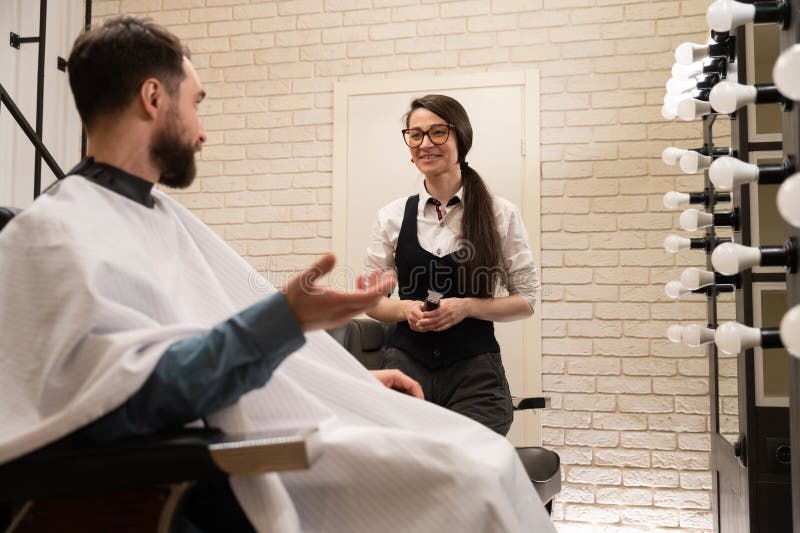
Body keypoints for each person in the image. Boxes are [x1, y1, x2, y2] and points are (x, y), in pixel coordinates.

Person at [0, 16, 555, 533]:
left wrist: (343, 381)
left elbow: (186, 348)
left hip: (432, 377)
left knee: (479, 459)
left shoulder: (154, 217)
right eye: (195, 103)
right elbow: (131, 396)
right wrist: (285, 318)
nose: (202, 131)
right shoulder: (55, 233)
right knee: (473, 476)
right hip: (192, 467)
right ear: (152, 98)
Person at [365, 94, 540, 436]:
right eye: (415, 135)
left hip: (476, 376)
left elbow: (527, 300)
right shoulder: (391, 217)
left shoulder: (499, 214)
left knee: (467, 468)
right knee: (403, 470)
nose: (425, 144)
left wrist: (467, 307)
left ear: (461, 138)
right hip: (405, 370)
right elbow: (372, 302)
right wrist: (405, 311)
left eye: (437, 133)